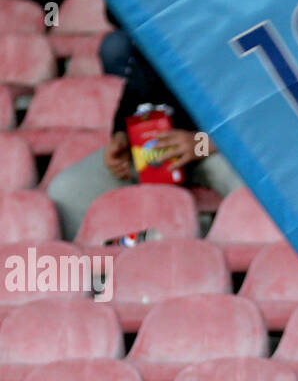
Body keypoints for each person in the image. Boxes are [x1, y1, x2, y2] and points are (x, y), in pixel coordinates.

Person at [47, 39, 243, 239]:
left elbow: (263, 116)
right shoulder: (152, 34)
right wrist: (121, 138)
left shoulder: (228, 27)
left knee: (255, 190)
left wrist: (203, 143)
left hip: (217, 149)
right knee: (67, 190)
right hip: (151, 147)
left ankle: (235, 264)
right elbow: (131, 100)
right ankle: (97, 266)